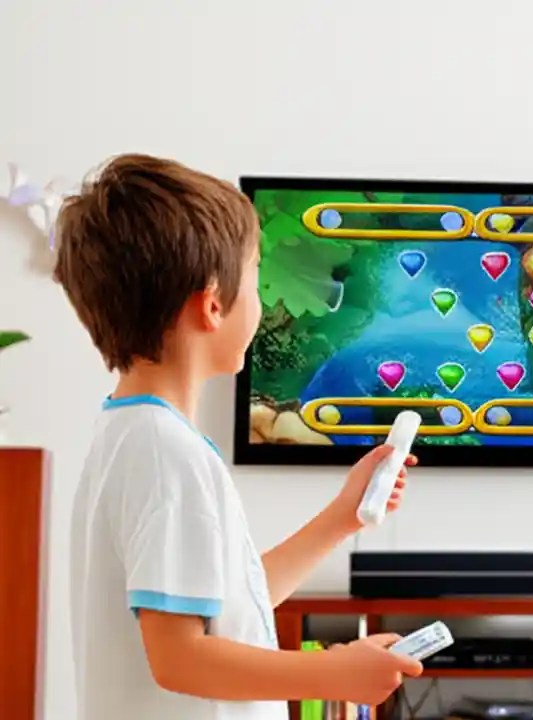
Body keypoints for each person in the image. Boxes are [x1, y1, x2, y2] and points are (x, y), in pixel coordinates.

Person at [56, 154, 424, 719]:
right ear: (212, 305)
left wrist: (342, 518)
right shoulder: (166, 453)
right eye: (256, 279)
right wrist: (334, 673)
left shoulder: (133, 435)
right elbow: (180, 658)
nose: (262, 300)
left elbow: (227, 606)